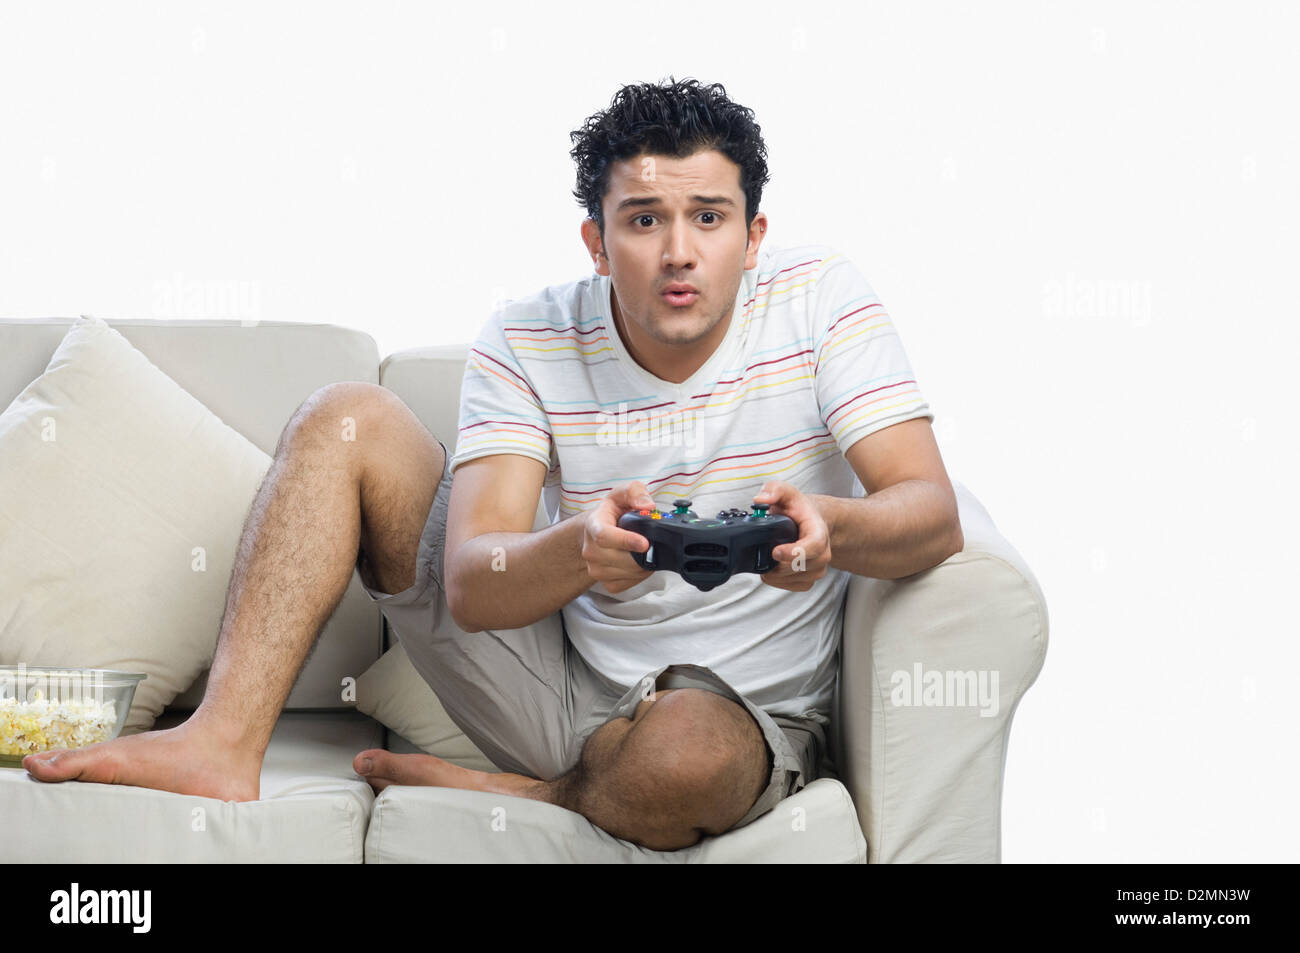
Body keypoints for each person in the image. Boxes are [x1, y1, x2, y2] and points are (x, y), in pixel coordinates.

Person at [23, 77, 963, 851]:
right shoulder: (529, 334)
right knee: (348, 417)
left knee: (682, 754)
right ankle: (220, 743)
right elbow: (473, 581)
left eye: (709, 217)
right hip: (559, 683)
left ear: (753, 237)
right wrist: (576, 552)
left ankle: (540, 794)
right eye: (642, 220)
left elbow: (931, 512)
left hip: (738, 720)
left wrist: (832, 530)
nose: (679, 253)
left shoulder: (823, 301)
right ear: (597, 240)